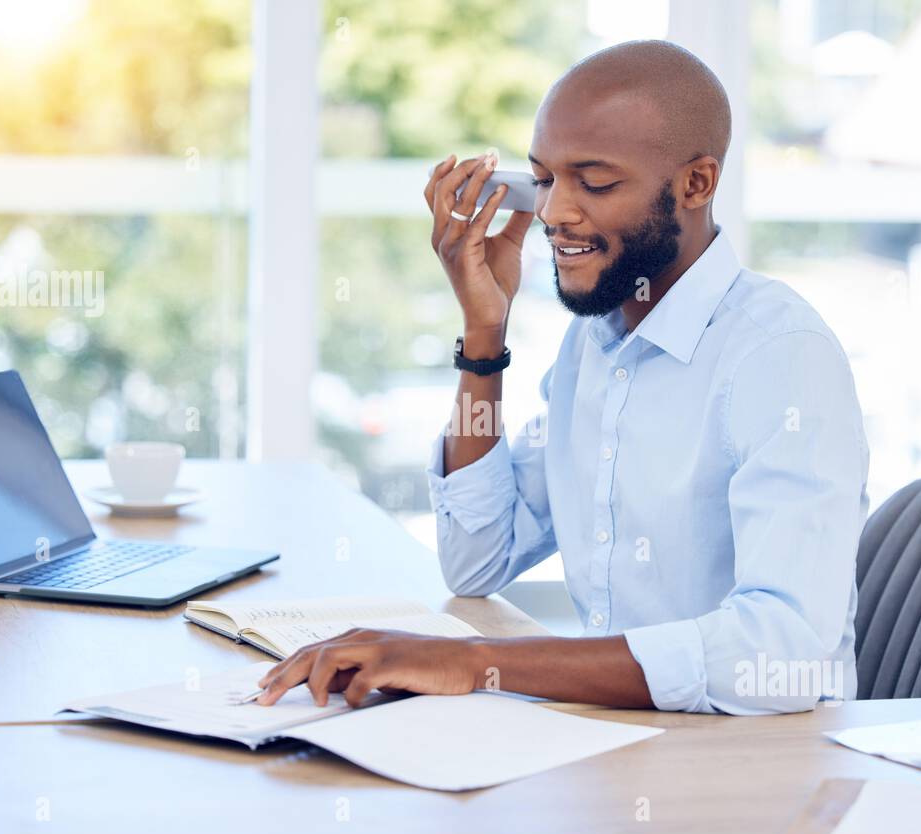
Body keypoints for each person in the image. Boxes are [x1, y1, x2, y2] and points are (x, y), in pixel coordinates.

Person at [257, 39, 869, 715]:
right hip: (621, 750)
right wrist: (484, 335)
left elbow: (780, 657)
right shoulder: (596, 342)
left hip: (750, 772)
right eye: (543, 179)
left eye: (595, 183)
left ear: (696, 184)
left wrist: (475, 663)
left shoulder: (780, 358)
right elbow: (478, 557)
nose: (553, 213)